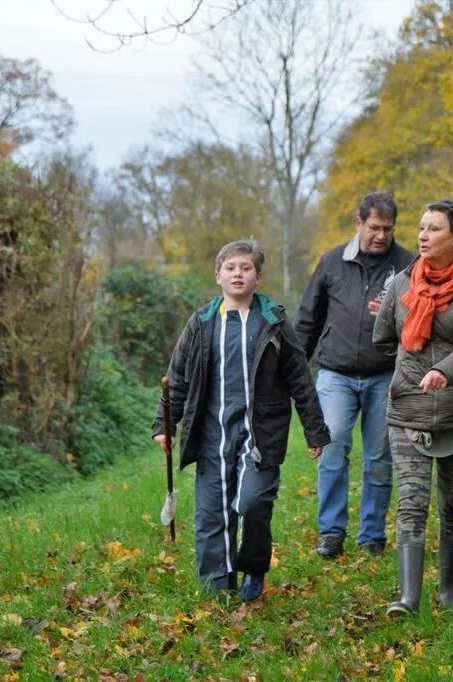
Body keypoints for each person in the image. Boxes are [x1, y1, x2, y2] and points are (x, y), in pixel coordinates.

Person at [152, 238, 330, 601]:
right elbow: (178, 377)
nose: (237, 274)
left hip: (260, 433)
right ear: (218, 275)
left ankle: (253, 567)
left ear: (258, 277)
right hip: (212, 432)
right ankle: (217, 587)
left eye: (245, 268)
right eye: (230, 268)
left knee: (252, 503)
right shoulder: (202, 323)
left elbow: (300, 379)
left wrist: (316, 431)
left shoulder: (274, 324)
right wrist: (164, 426)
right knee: (211, 512)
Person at [373, 198, 453, 615]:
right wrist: (414, 367)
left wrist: (444, 369)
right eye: (421, 227)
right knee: (410, 500)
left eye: (434, 228)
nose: (423, 235)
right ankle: (408, 598)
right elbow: (383, 337)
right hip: (407, 405)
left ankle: (448, 594)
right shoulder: (401, 284)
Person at [296, 191, 415, 559]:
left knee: (379, 458)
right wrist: (295, 373)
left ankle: (372, 535)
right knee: (333, 450)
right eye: (374, 227)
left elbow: (421, 324)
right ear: (358, 224)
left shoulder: (409, 266)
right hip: (335, 375)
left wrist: (394, 315)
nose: (381, 235)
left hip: (385, 376)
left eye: (388, 229)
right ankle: (331, 532)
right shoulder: (332, 261)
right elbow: (308, 319)